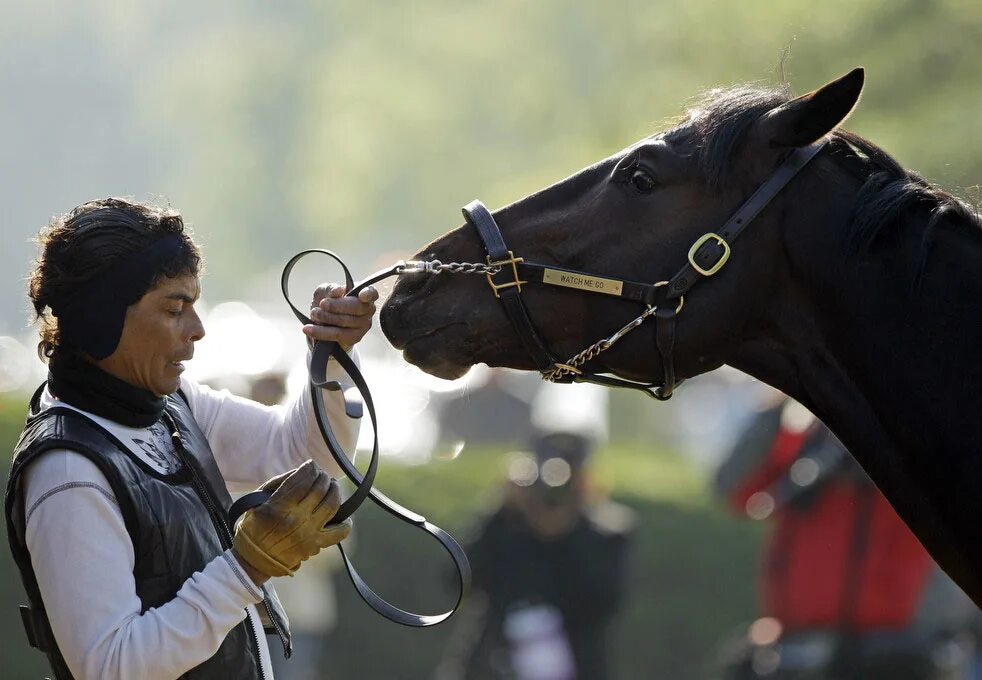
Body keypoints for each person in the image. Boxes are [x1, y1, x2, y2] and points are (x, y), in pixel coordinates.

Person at [4, 198, 379, 680]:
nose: (198, 330)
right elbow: (111, 666)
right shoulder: (68, 471)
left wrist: (331, 355)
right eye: (175, 308)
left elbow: (304, 457)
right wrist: (246, 569)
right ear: (102, 319)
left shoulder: (176, 404)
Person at [714, 397, 978, 679]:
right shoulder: (801, 440)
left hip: (898, 654)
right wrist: (779, 403)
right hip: (802, 651)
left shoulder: (919, 441)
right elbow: (733, 489)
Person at [437, 431, 634, 680]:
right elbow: (457, 580)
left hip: (574, 666)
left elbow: (603, 599)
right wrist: (500, 510)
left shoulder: (608, 532)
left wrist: (570, 527)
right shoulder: (506, 524)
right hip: (494, 664)